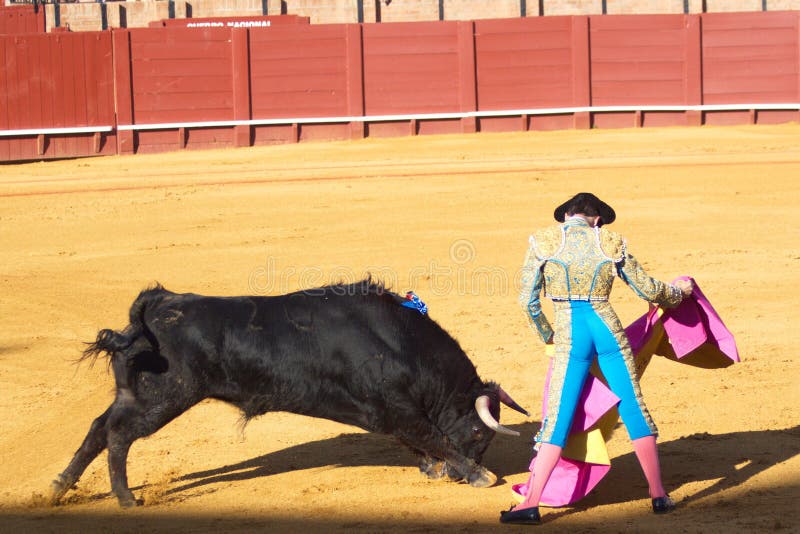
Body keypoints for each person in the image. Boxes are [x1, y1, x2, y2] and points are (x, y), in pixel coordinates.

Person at [501, 192, 693, 525]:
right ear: (598, 219)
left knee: (558, 416)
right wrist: (679, 293)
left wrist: (548, 335)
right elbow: (648, 289)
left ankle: (530, 504)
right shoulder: (610, 241)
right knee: (633, 406)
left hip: (570, 331)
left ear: (566, 217)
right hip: (607, 328)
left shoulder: (543, 240)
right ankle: (659, 495)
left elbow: (527, 302)